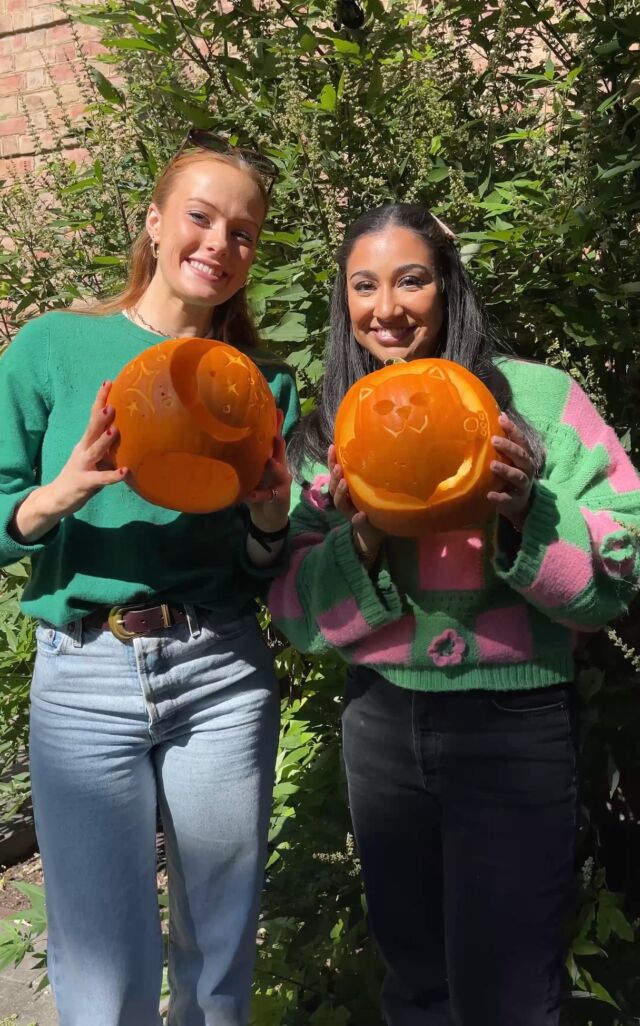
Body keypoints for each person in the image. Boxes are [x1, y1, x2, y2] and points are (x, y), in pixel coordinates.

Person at [269, 202, 640, 1026]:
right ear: (343, 301)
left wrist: (526, 511)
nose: (387, 306)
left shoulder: (538, 401)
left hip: (516, 722)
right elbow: (294, 607)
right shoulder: (332, 426)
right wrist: (361, 531)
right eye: (363, 285)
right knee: (416, 977)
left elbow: (624, 558)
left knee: (509, 990)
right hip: (382, 723)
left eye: (412, 279)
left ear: (447, 286)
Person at [0, 133, 298, 1026]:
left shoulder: (262, 385)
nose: (219, 243)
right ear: (156, 222)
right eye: (201, 218)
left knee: (219, 952)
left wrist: (271, 523)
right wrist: (52, 499)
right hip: (83, 675)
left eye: (243, 233)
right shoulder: (54, 347)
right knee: (101, 961)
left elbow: (260, 568)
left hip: (219, 672)